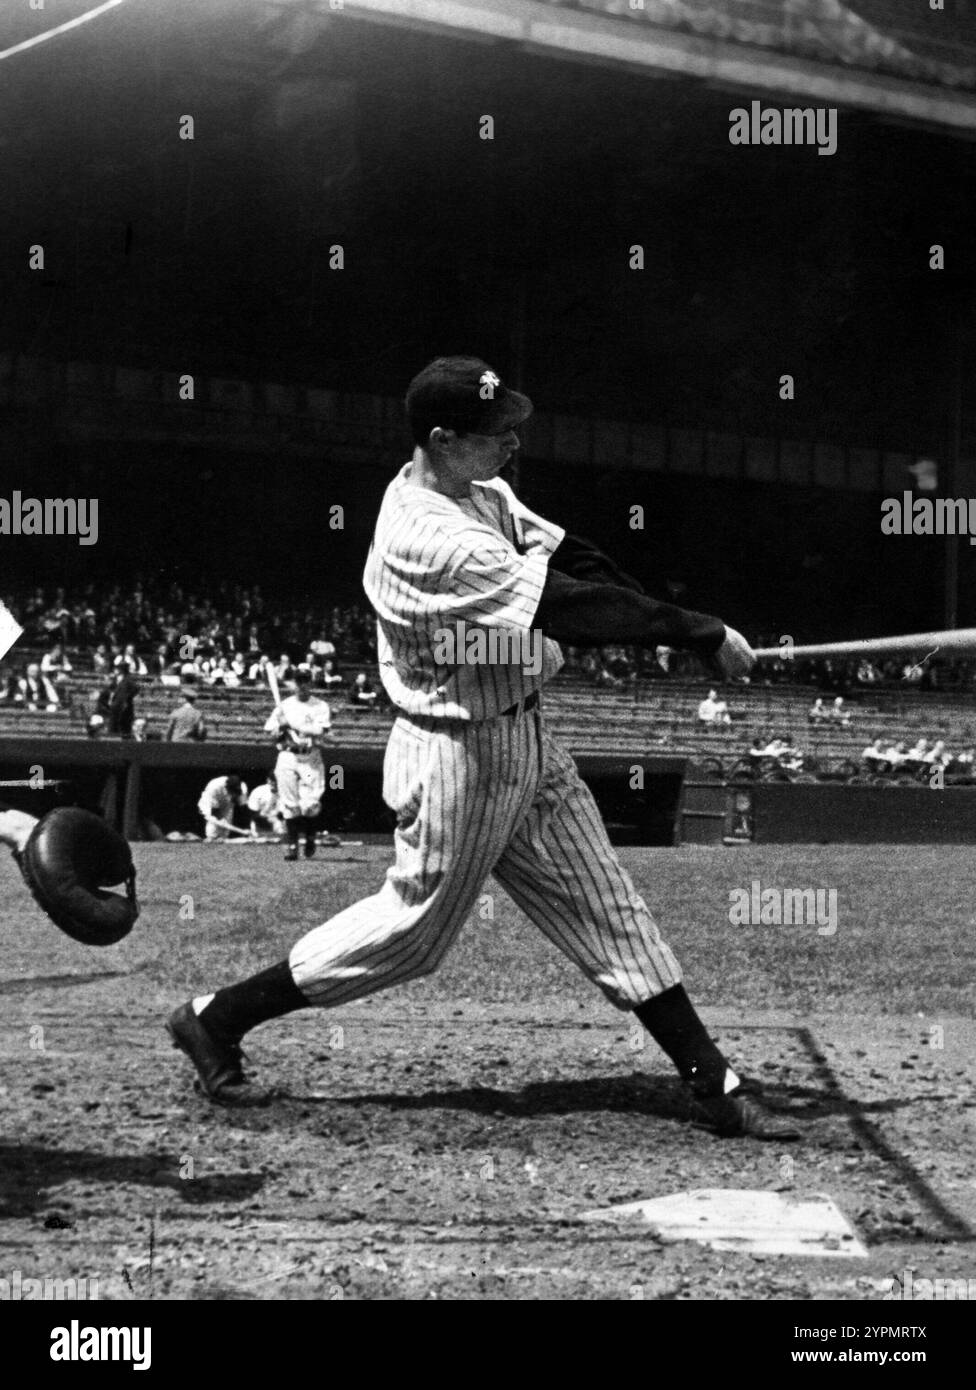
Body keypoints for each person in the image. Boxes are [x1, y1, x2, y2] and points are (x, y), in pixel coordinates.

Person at [166, 354, 797, 1140]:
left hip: (521, 729)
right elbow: (563, 606)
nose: (513, 447)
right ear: (441, 437)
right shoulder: (426, 536)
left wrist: (676, 621)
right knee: (413, 936)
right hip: (456, 751)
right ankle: (216, 1019)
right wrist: (698, 632)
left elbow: (573, 559)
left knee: (607, 905)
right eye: (497, 434)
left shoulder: (479, 490)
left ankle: (713, 1080)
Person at [263, 670, 333, 860]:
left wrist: (293, 724)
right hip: (288, 755)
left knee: (310, 805)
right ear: (294, 683)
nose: (302, 685)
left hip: (310, 757)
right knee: (289, 803)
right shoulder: (283, 706)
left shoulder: (320, 706)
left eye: (305, 681)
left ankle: (310, 836)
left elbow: (320, 730)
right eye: (298, 681)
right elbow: (269, 732)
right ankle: (291, 846)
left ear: (311, 683)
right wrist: (280, 727)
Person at [197, 774, 247, 840]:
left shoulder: (243, 787)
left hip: (227, 802)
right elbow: (215, 811)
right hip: (209, 803)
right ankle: (211, 838)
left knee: (224, 833)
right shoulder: (214, 787)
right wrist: (223, 821)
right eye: (233, 791)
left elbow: (243, 806)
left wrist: (247, 825)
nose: (235, 793)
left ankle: (223, 838)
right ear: (227, 786)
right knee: (214, 824)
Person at [247, 773, 285, 839]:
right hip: (259, 824)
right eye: (273, 780)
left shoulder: (285, 792)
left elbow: (284, 814)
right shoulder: (258, 791)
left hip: (277, 824)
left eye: (277, 781)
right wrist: (266, 818)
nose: (275, 783)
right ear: (268, 780)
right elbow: (252, 812)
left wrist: (275, 818)